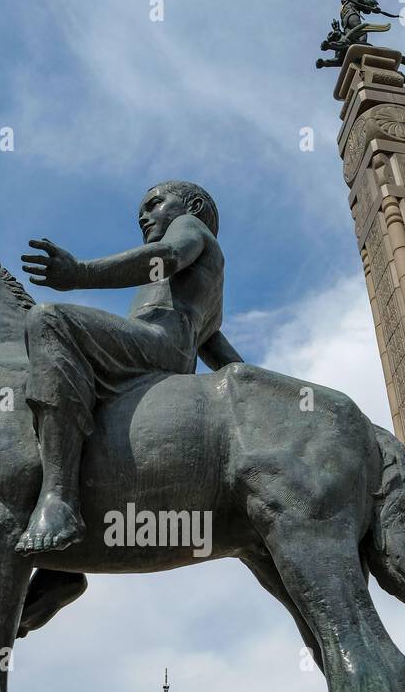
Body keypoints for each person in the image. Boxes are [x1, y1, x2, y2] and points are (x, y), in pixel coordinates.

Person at [16, 180, 241, 554]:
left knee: (50, 320)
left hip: (156, 347)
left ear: (195, 206)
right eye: (142, 210)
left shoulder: (189, 228)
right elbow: (219, 351)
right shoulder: (204, 287)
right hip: (165, 353)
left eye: (154, 203)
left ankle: (58, 496)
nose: (143, 215)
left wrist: (80, 275)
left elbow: (166, 255)